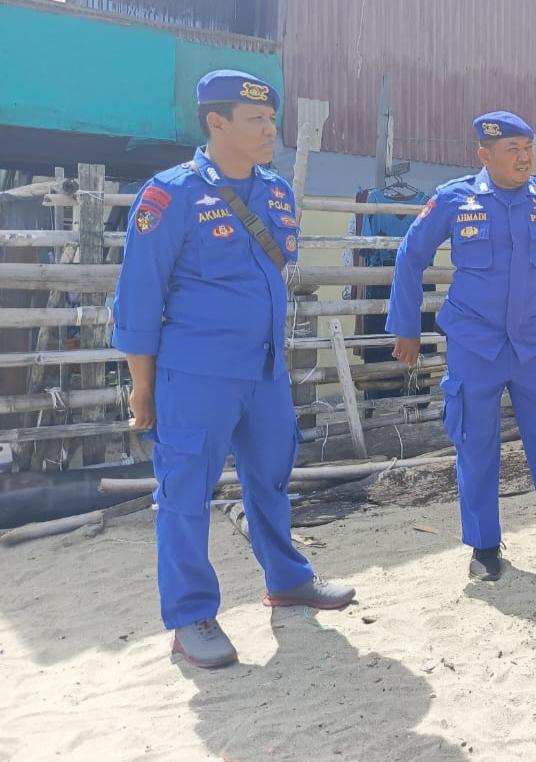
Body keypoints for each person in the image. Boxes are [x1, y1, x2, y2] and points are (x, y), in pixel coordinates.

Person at [112, 70, 356, 669]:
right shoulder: (170, 196)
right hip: (195, 376)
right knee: (184, 495)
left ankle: (287, 578)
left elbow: (274, 273)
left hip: (266, 371)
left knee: (271, 478)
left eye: (272, 119)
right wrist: (143, 389)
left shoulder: (276, 192)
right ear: (216, 123)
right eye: (256, 121)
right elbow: (140, 299)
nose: (271, 129)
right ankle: (190, 616)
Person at [386, 111, 536, 581]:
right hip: (474, 343)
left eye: (527, 149)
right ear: (485, 155)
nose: (524, 158)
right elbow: (411, 256)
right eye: (512, 150)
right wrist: (406, 327)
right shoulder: (455, 199)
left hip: (532, 344)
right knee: (476, 442)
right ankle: (484, 544)